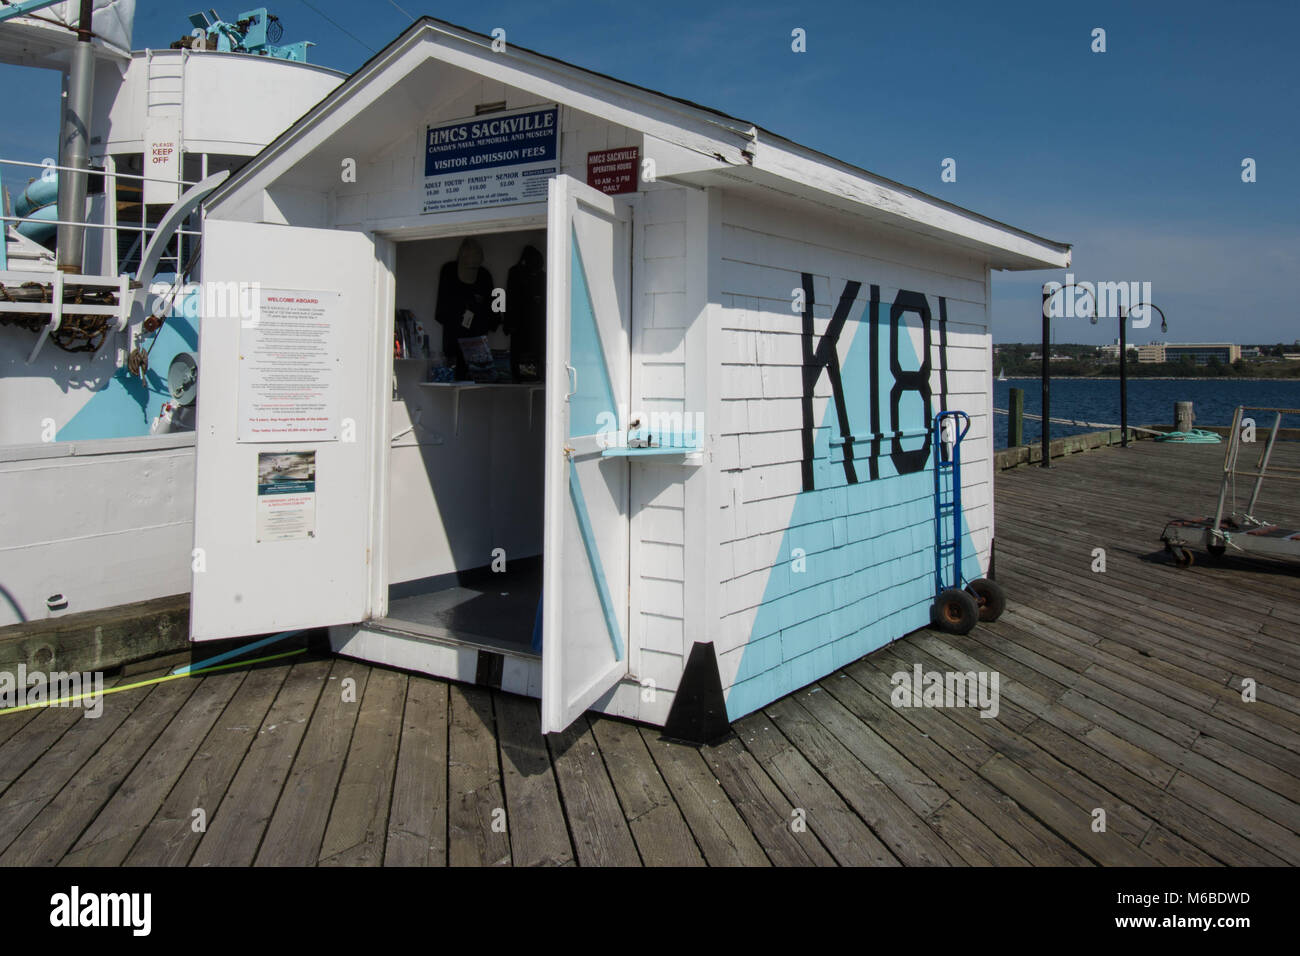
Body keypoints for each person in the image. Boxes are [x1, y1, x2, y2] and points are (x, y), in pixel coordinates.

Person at [434, 237, 496, 379]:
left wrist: (500, 318)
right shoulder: (449, 272)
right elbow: (441, 312)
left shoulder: (485, 276)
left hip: (478, 349)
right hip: (453, 346)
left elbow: (498, 298)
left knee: (479, 384)